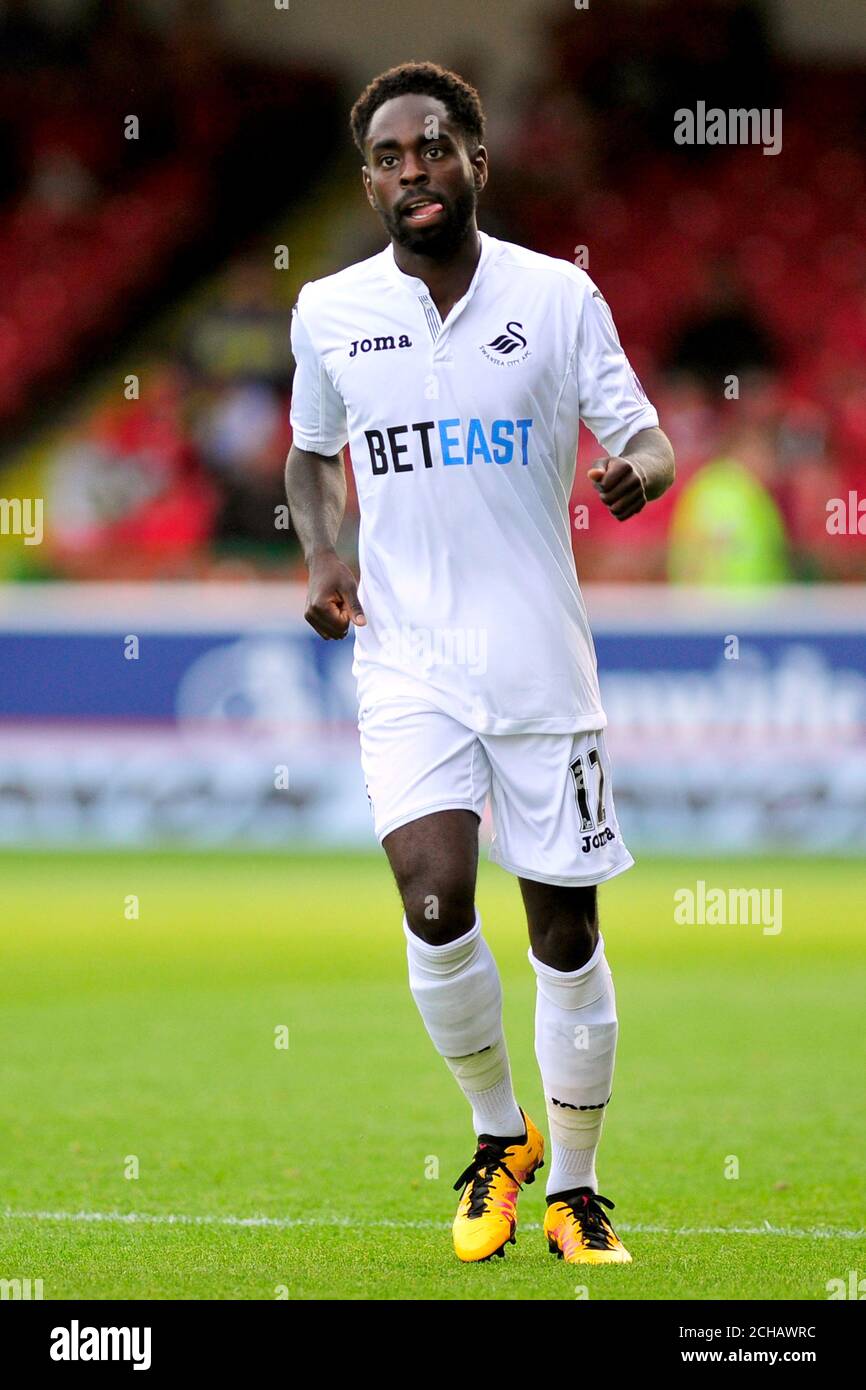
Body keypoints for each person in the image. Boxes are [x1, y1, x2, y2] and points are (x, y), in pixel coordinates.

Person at [285, 62, 675, 1266]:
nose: (415, 169)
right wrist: (322, 557)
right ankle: (494, 1135)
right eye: (392, 155)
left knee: (561, 936)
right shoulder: (329, 311)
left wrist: (636, 474)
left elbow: (646, 436)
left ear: (476, 163)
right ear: (368, 180)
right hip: (405, 664)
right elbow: (309, 456)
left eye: (434, 147)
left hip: (539, 672)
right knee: (434, 900)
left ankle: (576, 1186)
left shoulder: (558, 298)